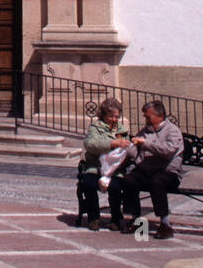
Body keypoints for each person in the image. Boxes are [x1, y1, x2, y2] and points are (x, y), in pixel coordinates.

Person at [109, 99, 184, 240]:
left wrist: (146, 143)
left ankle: (165, 223)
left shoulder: (172, 131)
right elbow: (136, 154)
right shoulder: (145, 131)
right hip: (147, 170)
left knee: (157, 182)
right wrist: (128, 147)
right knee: (129, 180)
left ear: (160, 116)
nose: (146, 119)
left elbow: (168, 151)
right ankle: (136, 219)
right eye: (145, 117)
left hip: (168, 172)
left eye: (148, 117)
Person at [79, 97, 128, 231]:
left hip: (114, 168)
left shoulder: (122, 130)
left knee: (116, 186)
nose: (114, 119)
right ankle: (94, 217)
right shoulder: (95, 128)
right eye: (111, 116)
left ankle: (116, 218)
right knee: (89, 183)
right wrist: (112, 144)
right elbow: (90, 144)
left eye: (116, 117)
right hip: (95, 166)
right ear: (104, 115)